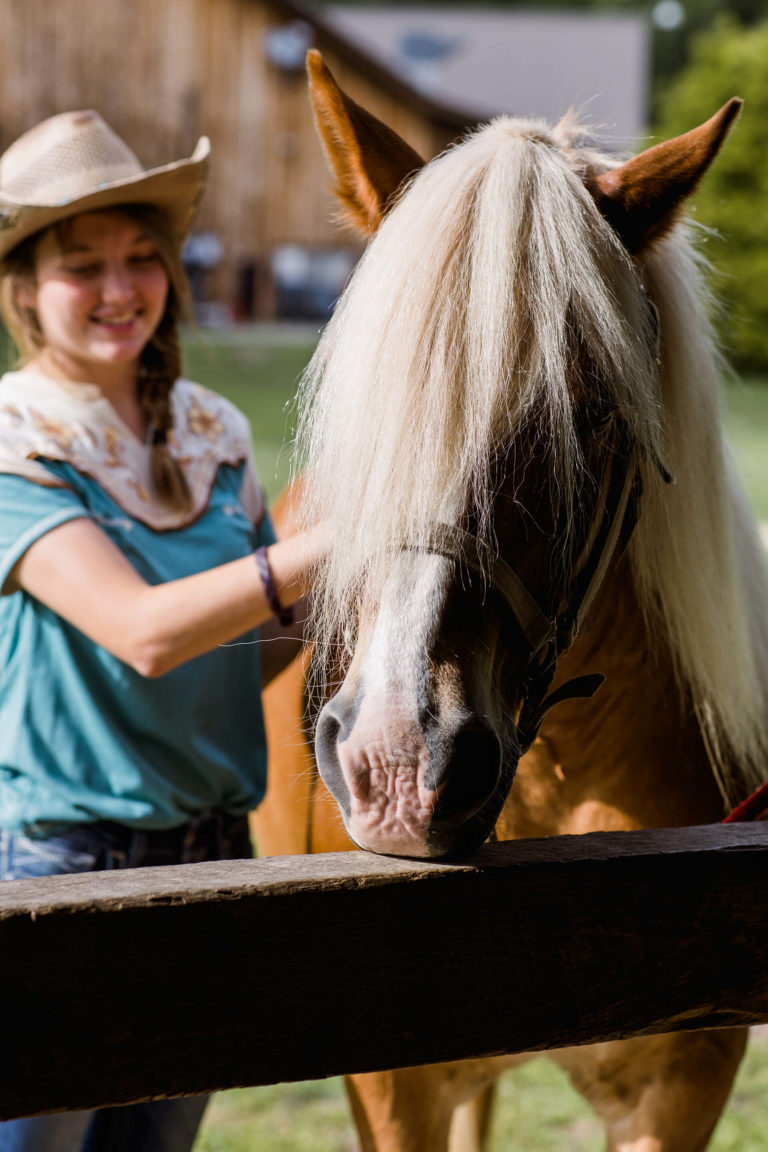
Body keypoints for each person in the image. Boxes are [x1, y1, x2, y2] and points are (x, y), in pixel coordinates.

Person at [0, 110, 324, 1152]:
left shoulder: (215, 431)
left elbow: (251, 642)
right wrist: (327, 545)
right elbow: (140, 632)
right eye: (80, 264)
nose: (118, 288)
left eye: (142, 258)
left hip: (214, 862)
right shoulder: (13, 443)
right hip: (56, 869)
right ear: (21, 287)